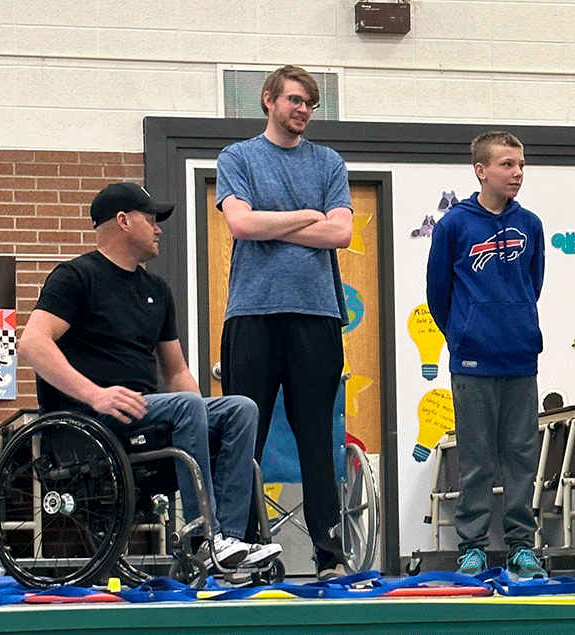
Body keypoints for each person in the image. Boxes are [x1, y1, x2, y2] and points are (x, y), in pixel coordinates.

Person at [19, 182, 281, 571]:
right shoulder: (76, 277)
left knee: (241, 408)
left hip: (147, 412)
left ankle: (231, 538)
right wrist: (95, 395)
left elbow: (176, 372)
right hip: (94, 418)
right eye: (151, 220)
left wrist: (204, 416)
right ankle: (204, 539)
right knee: (187, 406)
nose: (158, 230)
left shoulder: (157, 289)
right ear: (123, 221)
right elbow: (32, 343)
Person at [215, 65, 352, 580]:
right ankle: (246, 549)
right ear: (269, 100)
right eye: (294, 100)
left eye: (310, 103)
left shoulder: (328, 162)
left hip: (317, 316)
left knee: (316, 437)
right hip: (252, 314)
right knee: (245, 435)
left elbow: (340, 234)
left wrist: (271, 223)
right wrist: (308, 215)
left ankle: (329, 554)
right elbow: (240, 223)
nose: (303, 110)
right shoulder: (238, 157)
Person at [426, 131, 548, 581]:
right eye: (507, 164)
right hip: (473, 361)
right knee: (476, 459)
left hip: (520, 358)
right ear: (481, 170)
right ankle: (472, 548)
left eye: (521, 165)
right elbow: (438, 292)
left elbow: (533, 283)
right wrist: (464, 335)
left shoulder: (530, 224)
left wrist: (516, 324)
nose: (517, 173)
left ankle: (521, 547)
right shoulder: (454, 225)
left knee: (521, 458)